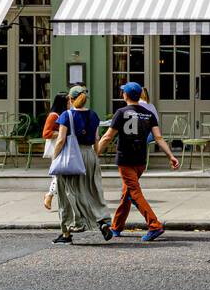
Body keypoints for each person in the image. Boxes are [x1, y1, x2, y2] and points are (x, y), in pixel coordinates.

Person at [96, 82, 179, 242]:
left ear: (125, 95)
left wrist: (95, 154)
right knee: (127, 192)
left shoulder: (121, 112)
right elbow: (158, 138)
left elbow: (107, 137)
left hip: (125, 159)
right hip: (140, 159)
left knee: (134, 193)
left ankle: (155, 225)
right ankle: (117, 227)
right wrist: (170, 155)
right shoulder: (149, 114)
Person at [49, 85, 112, 245]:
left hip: (72, 157)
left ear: (70, 99)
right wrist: (95, 156)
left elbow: (61, 140)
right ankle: (102, 221)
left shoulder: (66, 115)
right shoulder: (93, 115)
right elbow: (97, 139)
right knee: (92, 191)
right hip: (90, 155)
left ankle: (67, 231)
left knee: (68, 194)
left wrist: (55, 158)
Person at [41, 92, 69, 211]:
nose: (70, 103)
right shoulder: (54, 116)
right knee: (59, 174)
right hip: (56, 147)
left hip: (61, 146)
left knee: (61, 174)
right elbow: (46, 133)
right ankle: (50, 195)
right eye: (68, 101)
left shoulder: (62, 114)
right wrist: (62, 133)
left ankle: (52, 195)